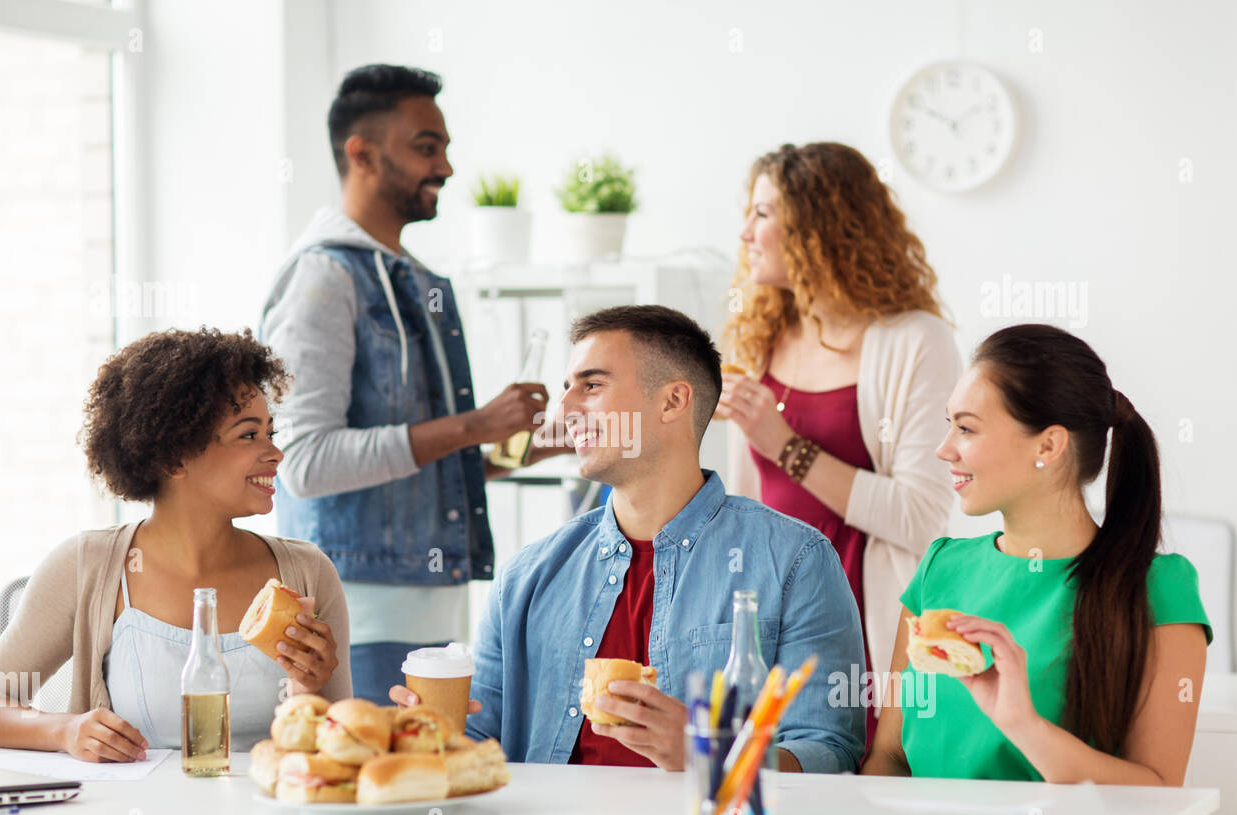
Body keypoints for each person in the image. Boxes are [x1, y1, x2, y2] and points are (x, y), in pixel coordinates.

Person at [393, 305, 867, 772]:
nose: (565, 410)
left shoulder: (795, 560)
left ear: (672, 401)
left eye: (592, 386)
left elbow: (827, 751)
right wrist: (421, 734)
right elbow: (479, 742)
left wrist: (712, 756)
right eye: (567, 390)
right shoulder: (525, 576)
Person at [259, 64, 559, 705]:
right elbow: (305, 464)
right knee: (369, 785)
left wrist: (545, 444)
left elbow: (427, 471)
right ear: (361, 154)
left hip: (436, 612)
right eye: (427, 147)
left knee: (421, 786)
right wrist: (476, 424)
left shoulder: (416, 281)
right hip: (356, 618)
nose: (446, 167)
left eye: (445, 147)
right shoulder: (323, 279)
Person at [0, 328, 351, 760]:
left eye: (271, 433)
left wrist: (307, 688)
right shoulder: (86, 566)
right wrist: (64, 730)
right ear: (174, 457)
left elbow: (338, 750)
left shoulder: (307, 573)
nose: (276, 453)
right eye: (249, 435)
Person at [861, 324, 1210, 783]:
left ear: (1048, 446)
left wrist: (1023, 725)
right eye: (950, 426)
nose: (944, 450)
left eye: (966, 428)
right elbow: (889, 758)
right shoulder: (938, 568)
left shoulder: (1158, 589)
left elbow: (1158, 790)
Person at [717, 142, 960, 753]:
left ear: (818, 228)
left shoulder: (915, 341)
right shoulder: (763, 338)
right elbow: (745, 511)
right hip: (773, 614)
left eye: (764, 214)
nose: (745, 232)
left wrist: (786, 446)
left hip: (867, 617)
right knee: (768, 796)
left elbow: (920, 516)